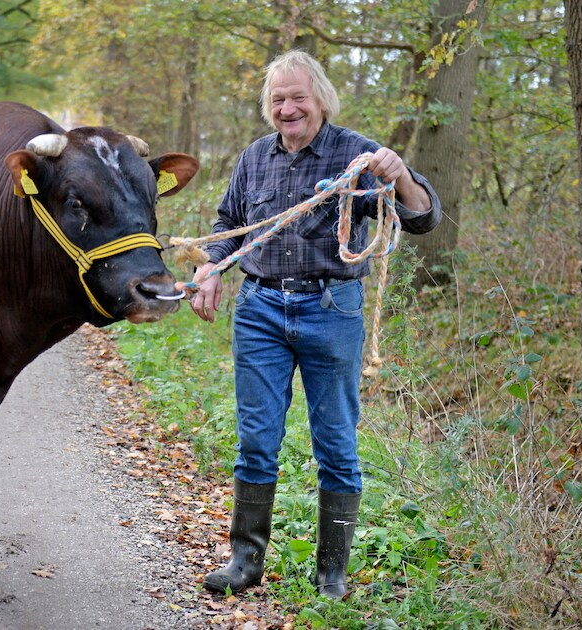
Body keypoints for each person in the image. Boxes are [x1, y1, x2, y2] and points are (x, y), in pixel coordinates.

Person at [190, 50, 442, 598]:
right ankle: (245, 561)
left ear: (320, 99)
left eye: (297, 97)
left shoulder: (360, 156)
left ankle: (332, 574)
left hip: (333, 311)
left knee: (336, 445)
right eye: (278, 100)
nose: (288, 108)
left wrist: (401, 178)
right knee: (256, 440)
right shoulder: (254, 158)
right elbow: (230, 226)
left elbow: (422, 217)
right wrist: (209, 268)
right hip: (259, 311)